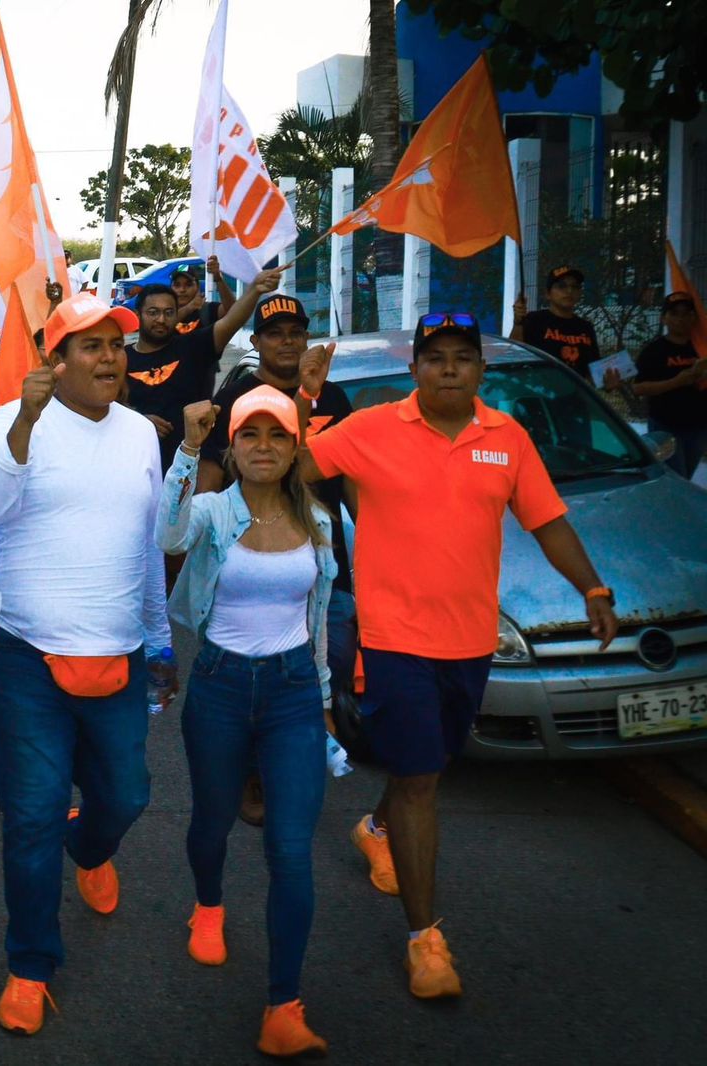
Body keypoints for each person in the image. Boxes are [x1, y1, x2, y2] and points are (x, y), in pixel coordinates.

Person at [293, 311, 618, 1000]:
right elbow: (293, 466)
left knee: (427, 766)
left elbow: (547, 520)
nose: (447, 368)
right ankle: (425, 939)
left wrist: (589, 585)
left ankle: (375, 825)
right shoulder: (373, 428)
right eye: (434, 356)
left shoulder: (508, 438)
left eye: (461, 357)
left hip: (470, 644)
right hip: (394, 641)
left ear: (480, 369)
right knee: (421, 779)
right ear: (414, 369)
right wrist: (302, 399)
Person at [0, 291, 176, 1036]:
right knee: (29, 817)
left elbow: (149, 542)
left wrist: (159, 637)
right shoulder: (12, 423)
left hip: (118, 652)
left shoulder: (139, 435)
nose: (110, 357)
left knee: (126, 797)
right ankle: (29, 966)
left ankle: (90, 849)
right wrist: (24, 424)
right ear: (54, 363)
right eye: (90, 346)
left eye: (116, 345)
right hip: (27, 654)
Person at [158, 388, 337, 1059]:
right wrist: (188, 449)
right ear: (232, 447)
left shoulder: (317, 518)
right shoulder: (209, 511)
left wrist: (322, 703)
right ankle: (208, 905)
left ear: (294, 449)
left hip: (292, 694)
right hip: (222, 687)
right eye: (250, 434)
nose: (263, 446)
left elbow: (318, 623)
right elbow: (166, 537)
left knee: (290, 849)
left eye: (277, 435)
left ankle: (283, 1005)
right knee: (212, 819)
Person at [198, 295, 359, 827]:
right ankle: (254, 772)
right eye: (275, 332)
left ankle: (287, 765)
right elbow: (213, 475)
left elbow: (353, 481)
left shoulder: (334, 395)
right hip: (248, 565)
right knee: (248, 680)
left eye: (296, 331)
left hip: (321, 562)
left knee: (321, 669)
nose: (287, 340)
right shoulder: (238, 397)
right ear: (258, 342)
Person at [124, 268, 283, 472]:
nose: (161, 320)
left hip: (191, 469)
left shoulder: (194, 347)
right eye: (153, 312)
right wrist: (140, 422)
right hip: (137, 467)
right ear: (139, 314)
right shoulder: (121, 358)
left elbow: (231, 320)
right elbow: (107, 406)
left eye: (168, 312)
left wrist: (255, 289)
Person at [633, 291, 707, 479]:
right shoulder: (655, 350)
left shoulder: (700, 348)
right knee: (674, 478)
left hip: (697, 426)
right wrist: (677, 381)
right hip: (665, 425)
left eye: (686, 313)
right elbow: (638, 388)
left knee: (686, 477)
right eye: (674, 313)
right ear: (663, 318)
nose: (680, 319)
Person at [511, 265, 605, 379]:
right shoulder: (534, 320)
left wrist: (607, 382)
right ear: (547, 294)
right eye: (562, 286)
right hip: (540, 393)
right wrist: (518, 323)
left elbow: (593, 374)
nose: (569, 291)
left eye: (575, 287)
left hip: (573, 395)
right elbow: (513, 355)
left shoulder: (585, 327)